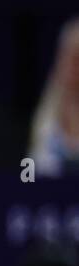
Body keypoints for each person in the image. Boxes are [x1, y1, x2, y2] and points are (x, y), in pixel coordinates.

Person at [29, 18, 79, 177]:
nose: (73, 68)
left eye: (78, 60)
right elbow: (33, 171)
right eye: (69, 58)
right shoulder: (46, 117)